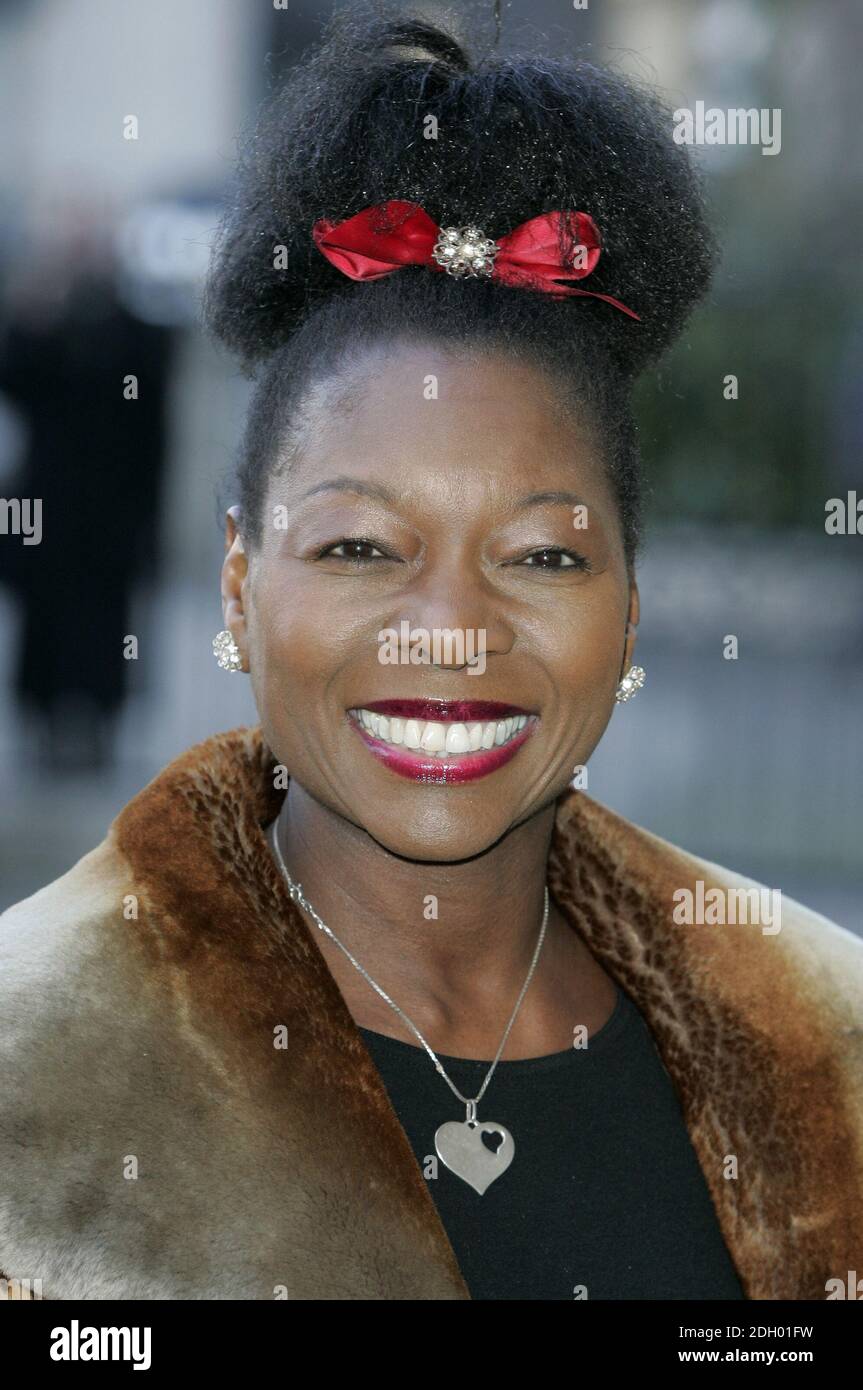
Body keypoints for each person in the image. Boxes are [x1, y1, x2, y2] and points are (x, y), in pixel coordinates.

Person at [1, 8, 861, 1302]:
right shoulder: (31, 1066)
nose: (451, 627)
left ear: (630, 605)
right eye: (359, 548)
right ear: (237, 585)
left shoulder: (828, 1043)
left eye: (543, 554)